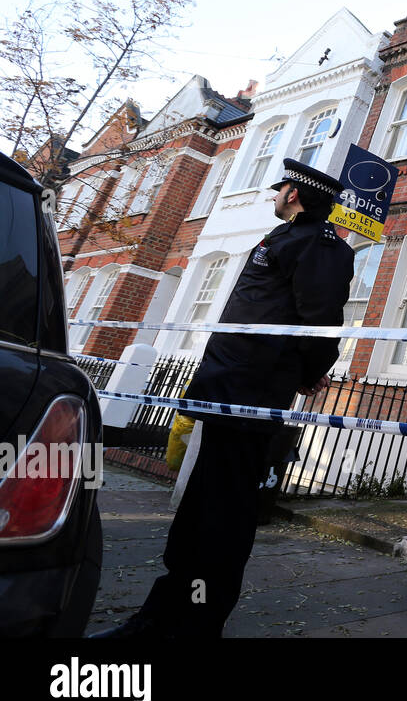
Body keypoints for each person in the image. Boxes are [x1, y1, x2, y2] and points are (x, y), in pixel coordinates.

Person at [93, 158, 355, 638]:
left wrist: (306, 372)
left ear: (293, 193)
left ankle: (195, 619)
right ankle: (166, 612)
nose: (272, 196)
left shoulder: (320, 246)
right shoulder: (285, 239)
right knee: (201, 507)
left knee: (223, 515)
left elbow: (321, 322)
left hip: (251, 395)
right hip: (229, 387)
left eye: (279, 189)